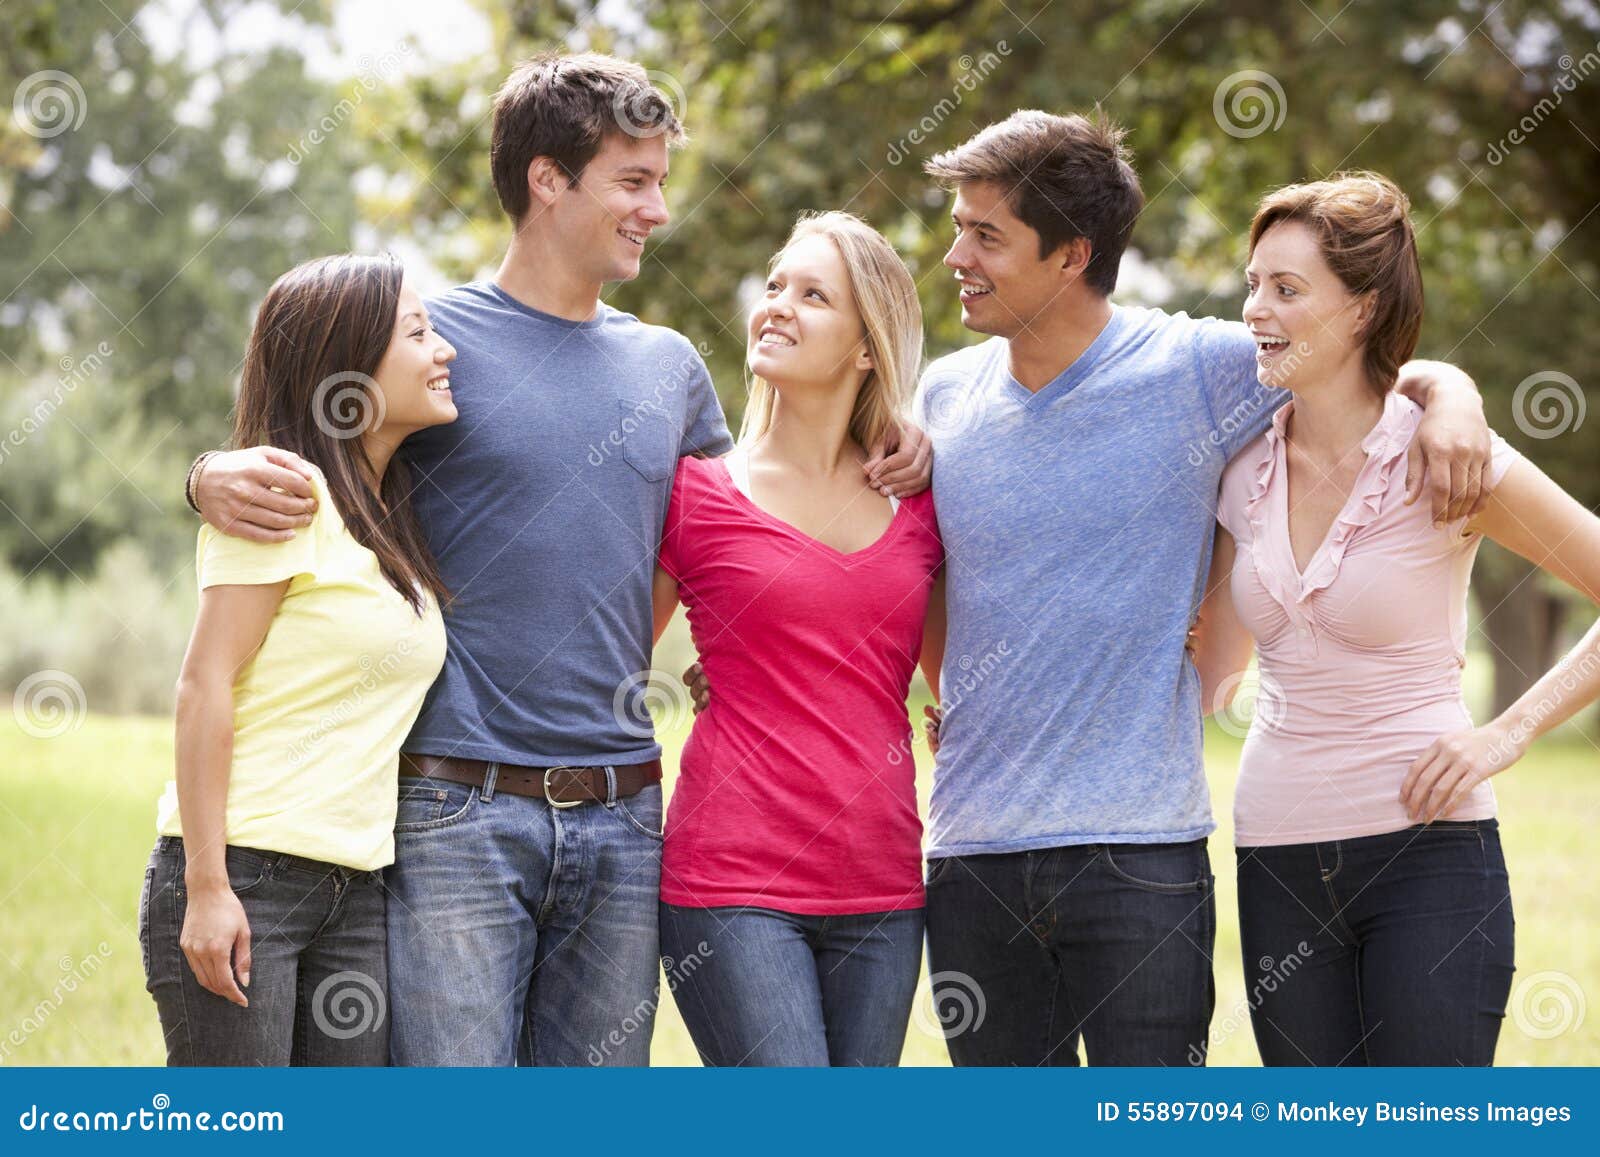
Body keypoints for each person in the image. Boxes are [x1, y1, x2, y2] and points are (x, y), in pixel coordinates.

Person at [184, 53, 932, 1066]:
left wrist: (902, 434)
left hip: (624, 815)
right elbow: (301, 434)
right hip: (456, 806)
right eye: (634, 181)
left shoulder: (670, 369)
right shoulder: (430, 343)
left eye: (660, 182)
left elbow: (753, 522)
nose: (657, 209)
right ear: (548, 180)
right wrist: (204, 473)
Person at [911, 110, 1494, 1066]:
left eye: (986, 234)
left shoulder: (1196, 369)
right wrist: (957, 690)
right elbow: (930, 572)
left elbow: (1351, 355)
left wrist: (1452, 394)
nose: (955, 257)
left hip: (1141, 859)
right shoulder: (942, 395)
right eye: (958, 228)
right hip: (971, 853)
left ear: (1072, 255)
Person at [1191, 172, 1600, 1066]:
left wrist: (1509, 731)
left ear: (1364, 308)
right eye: (1253, 284)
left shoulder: (1448, 456)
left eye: (1286, 288)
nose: (1255, 309)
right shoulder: (1241, 470)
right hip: (1276, 854)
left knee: (1426, 1124)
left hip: (1430, 853)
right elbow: (1210, 673)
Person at [141, 254, 454, 1065]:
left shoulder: (388, 516)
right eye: (418, 333)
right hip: (246, 873)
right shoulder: (282, 496)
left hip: (356, 884)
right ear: (349, 364)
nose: (444, 349)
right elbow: (203, 684)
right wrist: (207, 886)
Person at [653, 212, 945, 1066]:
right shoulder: (694, 494)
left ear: (867, 349)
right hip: (733, 878)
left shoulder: (922, 504)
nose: (777, 304)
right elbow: (607, 656)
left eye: (813, 295)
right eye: (776, 284)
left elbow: (960, 682)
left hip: (885, 887)